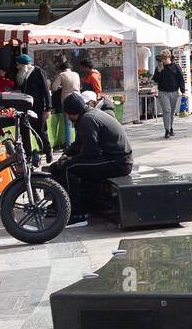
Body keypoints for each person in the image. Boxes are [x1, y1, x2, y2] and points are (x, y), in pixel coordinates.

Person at [54, 92, 133, 228]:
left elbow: (90, 152)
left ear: (72, 112)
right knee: (60, 166)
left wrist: (72, 159)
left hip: (117, 162)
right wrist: (66, 154)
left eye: (67, 114)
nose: (67, 117)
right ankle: (60, 205)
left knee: (69, 168)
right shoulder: (87, 115)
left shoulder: (88, 119)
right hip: (113, 158)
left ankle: (77, 215)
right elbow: (79, 143)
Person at [14, 53, 53, 164]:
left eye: (19, 65)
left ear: (25, 65)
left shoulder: (38, 72)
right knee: (24, 131)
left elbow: (46, 91)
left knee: (40, 131)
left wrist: (48, 108)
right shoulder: (23, 75)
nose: (17, 67)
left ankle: (47, 150)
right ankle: (29, 154)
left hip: (38, 107)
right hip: (25, 107)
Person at [152, 48, 186, 139]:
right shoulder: (159, 67)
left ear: (169, 58)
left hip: (174, 92)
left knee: (172, 112)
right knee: (167, 110)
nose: (163, 60)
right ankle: (167, 130)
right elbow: (155, 79)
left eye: (165, 58)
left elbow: (180, 79)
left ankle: (171, 128)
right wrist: (159, 71)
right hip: (163, 92)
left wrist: (183, 91)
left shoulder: (175, 67)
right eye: (162, 58)